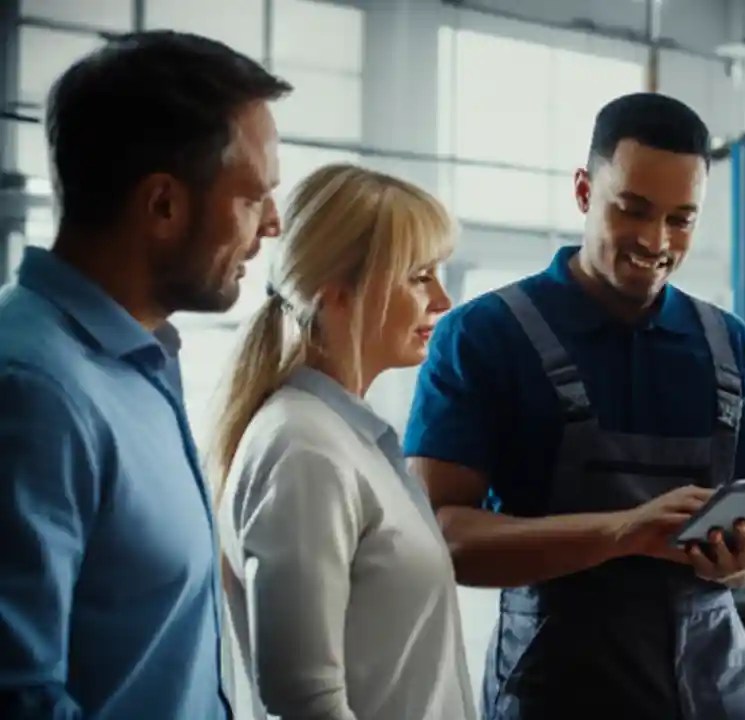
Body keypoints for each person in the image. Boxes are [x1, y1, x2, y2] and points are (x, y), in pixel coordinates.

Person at [405, 92, 745, 720]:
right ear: (584, 192)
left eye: (681, 220)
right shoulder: (484, 336)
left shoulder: (731, 347)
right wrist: (623, 532)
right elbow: (440, 536)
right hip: (556, 692)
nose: (656, 241)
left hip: (713, 692)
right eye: (632, 210)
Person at [0, 32, 289, 719]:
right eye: (254, 197)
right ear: (163, 205)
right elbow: (18, 697)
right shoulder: (35, 390)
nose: (273, 225)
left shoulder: (140, 363)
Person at [214, 164, 474, 720]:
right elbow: (306, 703)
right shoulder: (303, 449)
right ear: (337, 295)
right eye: (419, 277)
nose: (443, 299)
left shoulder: (343, 435)